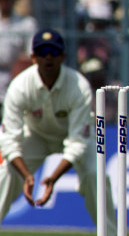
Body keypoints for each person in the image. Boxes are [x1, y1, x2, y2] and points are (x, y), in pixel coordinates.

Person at [0, 29, 116, 234]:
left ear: (62, 56)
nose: (48, 57)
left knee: (94, 174)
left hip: (73, 135)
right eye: (43, 52)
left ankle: (111, 233)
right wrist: (27, 175)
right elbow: (9, 140)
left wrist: (53, 178)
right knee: (7, 171)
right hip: (36, 135)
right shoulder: (19, 87)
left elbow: (77, 142)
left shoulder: (78, 86)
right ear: (33, 57)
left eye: (53, 52)